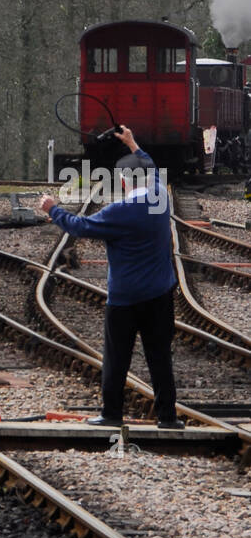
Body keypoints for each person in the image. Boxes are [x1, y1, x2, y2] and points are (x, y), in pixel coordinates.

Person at [39, 124, 183, 430]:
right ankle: (168, 418)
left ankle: (112, 414)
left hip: (126, 298)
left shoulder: (119, 211)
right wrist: (133, 144)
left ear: (122, 181)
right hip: (160, 295)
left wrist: (53, 209)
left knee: (117, 358)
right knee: (159, 357)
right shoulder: (159, 196)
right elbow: (153, 168)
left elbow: (79, 227)